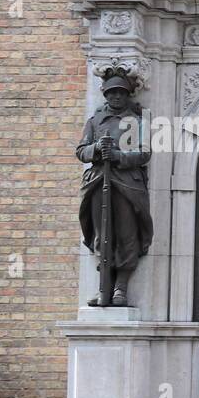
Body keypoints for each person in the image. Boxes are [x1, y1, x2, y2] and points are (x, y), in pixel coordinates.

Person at [76, 69, 152, 307]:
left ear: (127, 95)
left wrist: (118, 155)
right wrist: (97, 149)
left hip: (127, 184)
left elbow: (144, 153)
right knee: (103, 234)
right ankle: (104, 287)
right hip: (99, 181)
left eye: (121, 93)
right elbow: (81, 151)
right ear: (106, 96)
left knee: (127, 234)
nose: (117, 97)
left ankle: (121, 287)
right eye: (112, 93)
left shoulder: (137, 122)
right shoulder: (95, 122)